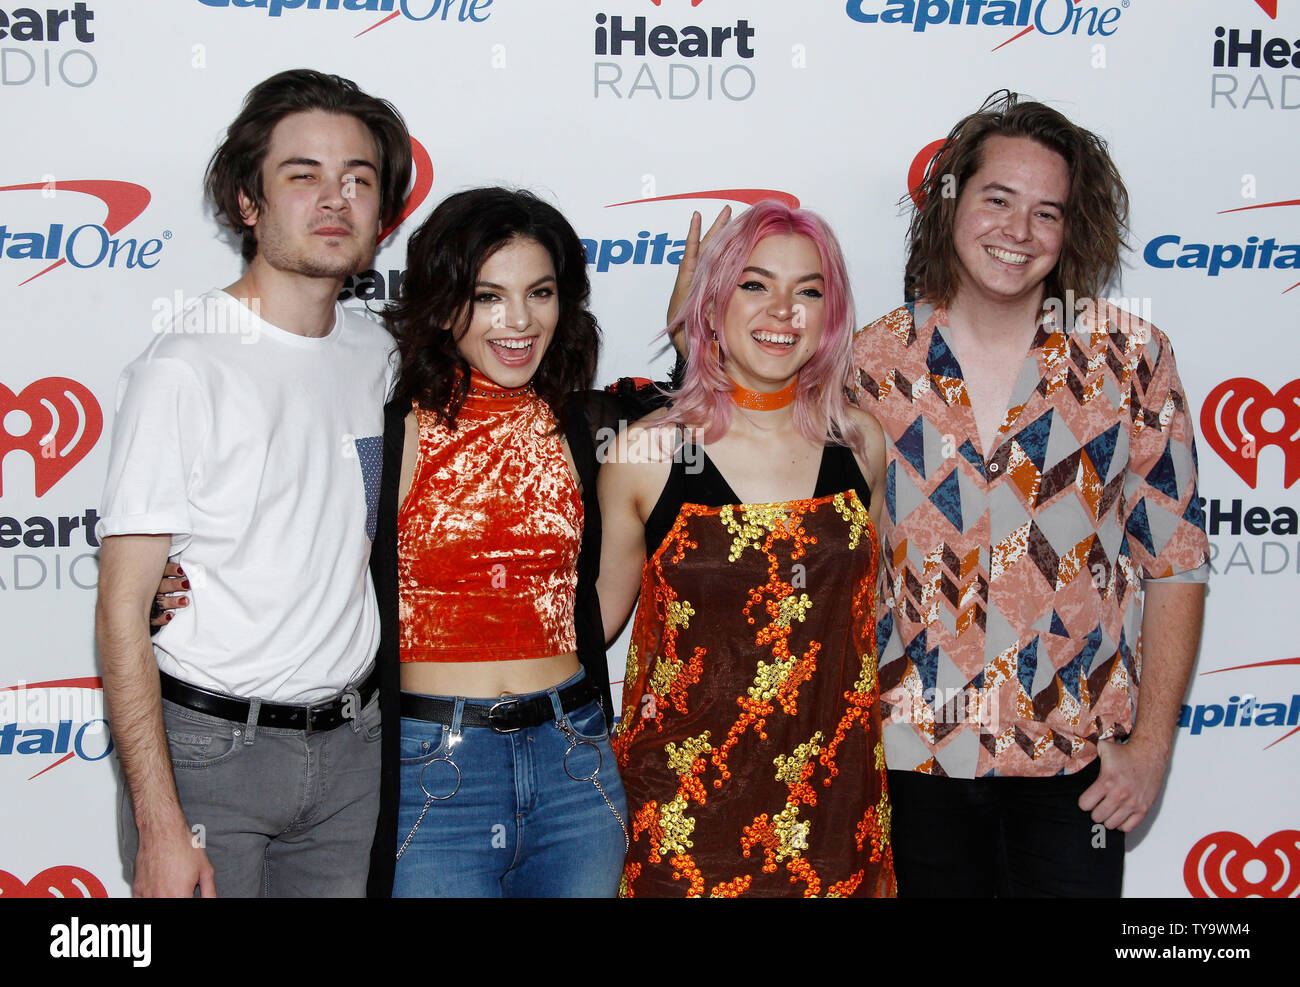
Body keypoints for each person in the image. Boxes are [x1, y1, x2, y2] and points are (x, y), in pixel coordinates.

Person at [853, 91, 1209, 895]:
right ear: (949, 202)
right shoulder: (872, 362)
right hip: (908, 758)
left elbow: (1177, 563)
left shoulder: (1129, 359)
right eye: (998, 200)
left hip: (1072, 764)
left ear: (1070, 230)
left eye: (1046, 213)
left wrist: (1151, 749)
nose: (1017, 232)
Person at [96, 69, 412, 897]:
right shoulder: (184, 366)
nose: (334, 198)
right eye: (302, 174)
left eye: (359, 178)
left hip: (352, 755)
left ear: (383, 212)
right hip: (210, 759)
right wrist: (160, 826)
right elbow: (123, 609)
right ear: (248, 202)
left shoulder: (379, 356)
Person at [599, 201, 896, 897]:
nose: (784, 309)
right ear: (711, 305)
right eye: (754, 284)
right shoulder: (648, 451)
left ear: (831, 313)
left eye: (809, 290)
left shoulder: (861, 443)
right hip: (679, 820)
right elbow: (592, 626)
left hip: (832, 816)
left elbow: (859, 623)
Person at [363, 187, 634, 898]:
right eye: (488, 296)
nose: (519, 321)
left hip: (575, 761)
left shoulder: (585, 423)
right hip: (436, 769)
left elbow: (709, 414)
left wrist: (694, 324)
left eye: (539, 292)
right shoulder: (391, 431)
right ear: (442, 302)